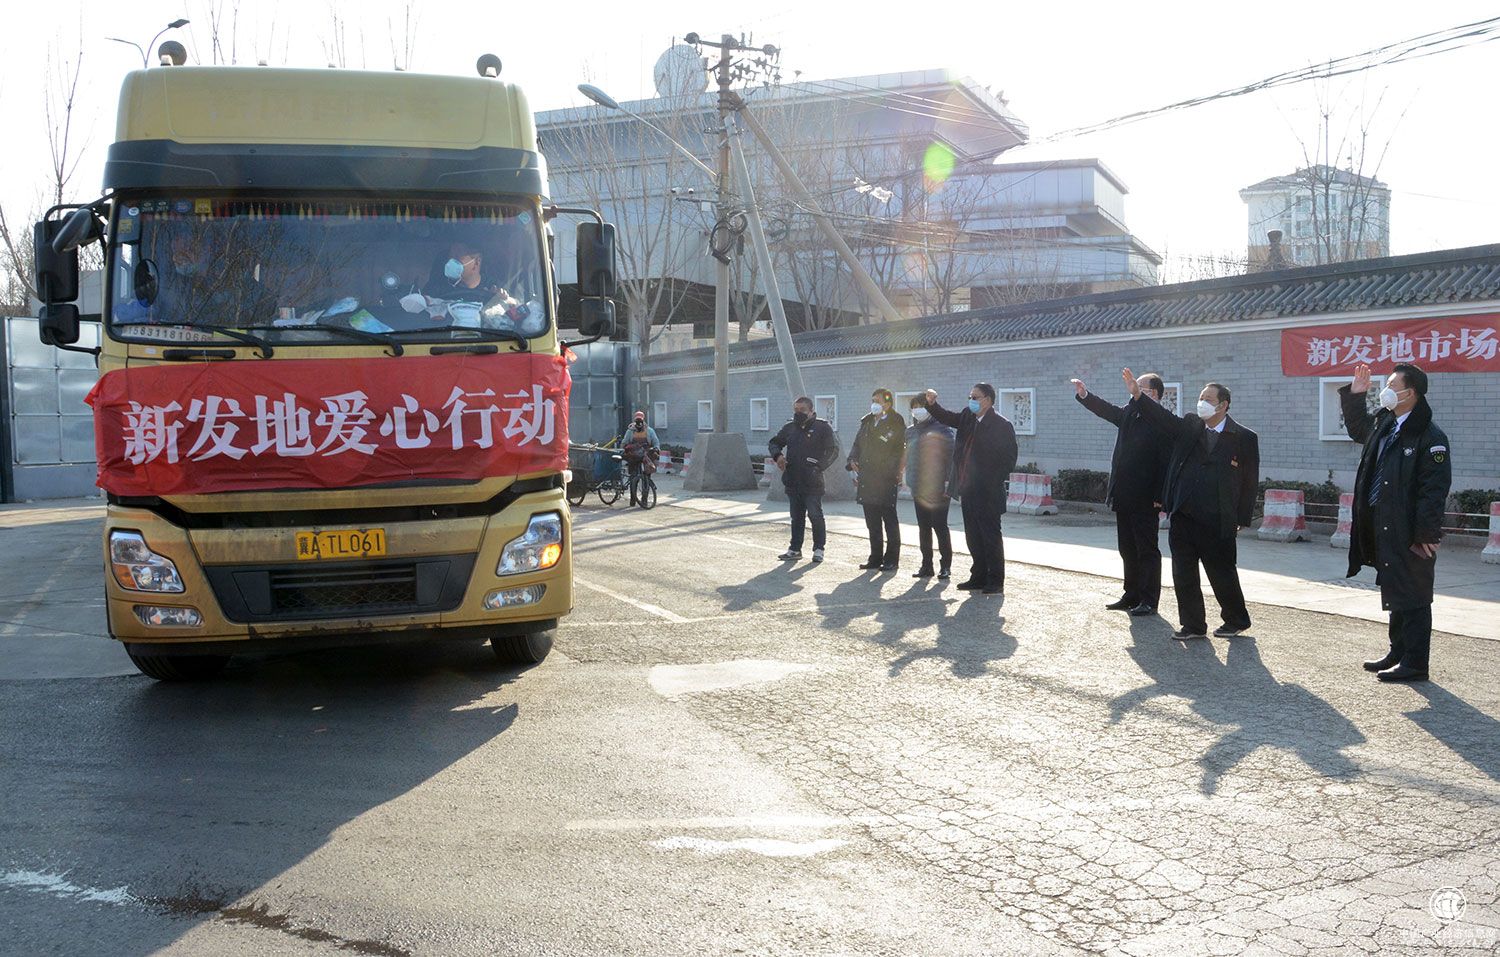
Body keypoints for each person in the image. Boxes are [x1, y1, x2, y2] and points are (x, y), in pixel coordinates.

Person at [1124, 368, 1258, 640]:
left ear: (1223, 405)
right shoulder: (1189, 426)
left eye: (1208, 399)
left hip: (1218, 517)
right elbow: (1162, 418)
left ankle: (1236, 619)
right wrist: (1139, 396)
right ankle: (1193, 626)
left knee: (1222, 572)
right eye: (1201, 397)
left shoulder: (1243, 437)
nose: (1202, 402)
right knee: (1183, 573)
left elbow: (1249, 482)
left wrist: (1241, 518)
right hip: (1184, 513)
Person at [1340, 361, 1451, 682]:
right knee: (1395, 587)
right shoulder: (1386, 424)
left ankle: (1416, 662)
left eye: (1392, 385)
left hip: (1410, 530)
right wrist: (1356, 395)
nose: (1385, 390)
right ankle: (1397, 651)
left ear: (1410, 392)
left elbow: (1434, 490)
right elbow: (1358, 428)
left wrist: (1426, 533)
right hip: (1382, 523)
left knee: (1414, 593)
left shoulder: (1430, 437)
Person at [1071, 373, 1173, 617]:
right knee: (1127, 548)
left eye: (1139, 387)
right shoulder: (1129, 413)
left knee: (1146, 549)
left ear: (1154, 394)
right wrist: (1085, 395)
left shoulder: (1161, 420)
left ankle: (1149, 600)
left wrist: (1160, 497)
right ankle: (1131, 594)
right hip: (1124, 494)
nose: (1133, 390)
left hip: (1147, 497)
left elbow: (1165, 463)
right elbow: (1107, 410)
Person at [921, 384, 1018, 596]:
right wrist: (932, 405)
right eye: (970, 396)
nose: (971, 400)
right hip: (968, 488)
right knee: (973, 536)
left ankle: (995, 580)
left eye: (975, 397)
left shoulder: (1001, 425)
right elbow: (947, 417)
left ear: (989, 400)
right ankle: (978, 576)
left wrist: (990, 481)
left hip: (989, 492)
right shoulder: (967, 416)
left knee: (990, 537)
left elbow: (1009, 460)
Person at [768, 396, 841, 563]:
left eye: (802, 410)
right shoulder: (789, 427)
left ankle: (819, 549)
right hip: (793, 479)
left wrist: (818, 467)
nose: (798, 413)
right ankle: (795, 549)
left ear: (811, 411)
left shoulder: (822, 428)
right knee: (796, 516)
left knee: (815, 515)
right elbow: (774, 443)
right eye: (796, 410)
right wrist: (778, 455)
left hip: (813, 481)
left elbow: (833, 450)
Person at [847, 388, 907, 571]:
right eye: (872, 400)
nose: (874, 403)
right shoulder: (867, 421)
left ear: (887, 404)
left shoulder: (896, 422)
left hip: (885, 478)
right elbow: (857, 444)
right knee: (872, 522)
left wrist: (891, 469)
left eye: (877, 400)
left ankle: (891, 559)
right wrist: (852, 460)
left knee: (889, 520)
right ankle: (875, 558)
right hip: (867, 478)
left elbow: (900, 450)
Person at [905, 394, 956, 579]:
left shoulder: (943, 429)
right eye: (914, 407)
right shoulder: (910, 431)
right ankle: (926, 565)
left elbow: (951, 457)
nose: (917, 410)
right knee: (924, 527)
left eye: (921, 406)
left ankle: (946, 566)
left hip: (939, 486)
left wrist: (948, 482)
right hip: (919, 486)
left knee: (940, 526)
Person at [619, 411, 661, 507]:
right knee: (634, 477)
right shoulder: (630, 431)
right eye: (637, 421)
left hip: (646, 456)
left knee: (646, 477)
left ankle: (644, 500)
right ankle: (633, 499)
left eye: (640, 421)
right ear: (634, 420)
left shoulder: (649, 431)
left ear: (643, 420)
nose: (638, 424)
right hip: (633, 457)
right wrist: (624, 449)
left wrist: (656, 448)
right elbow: (624, 442)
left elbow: (656, 442)